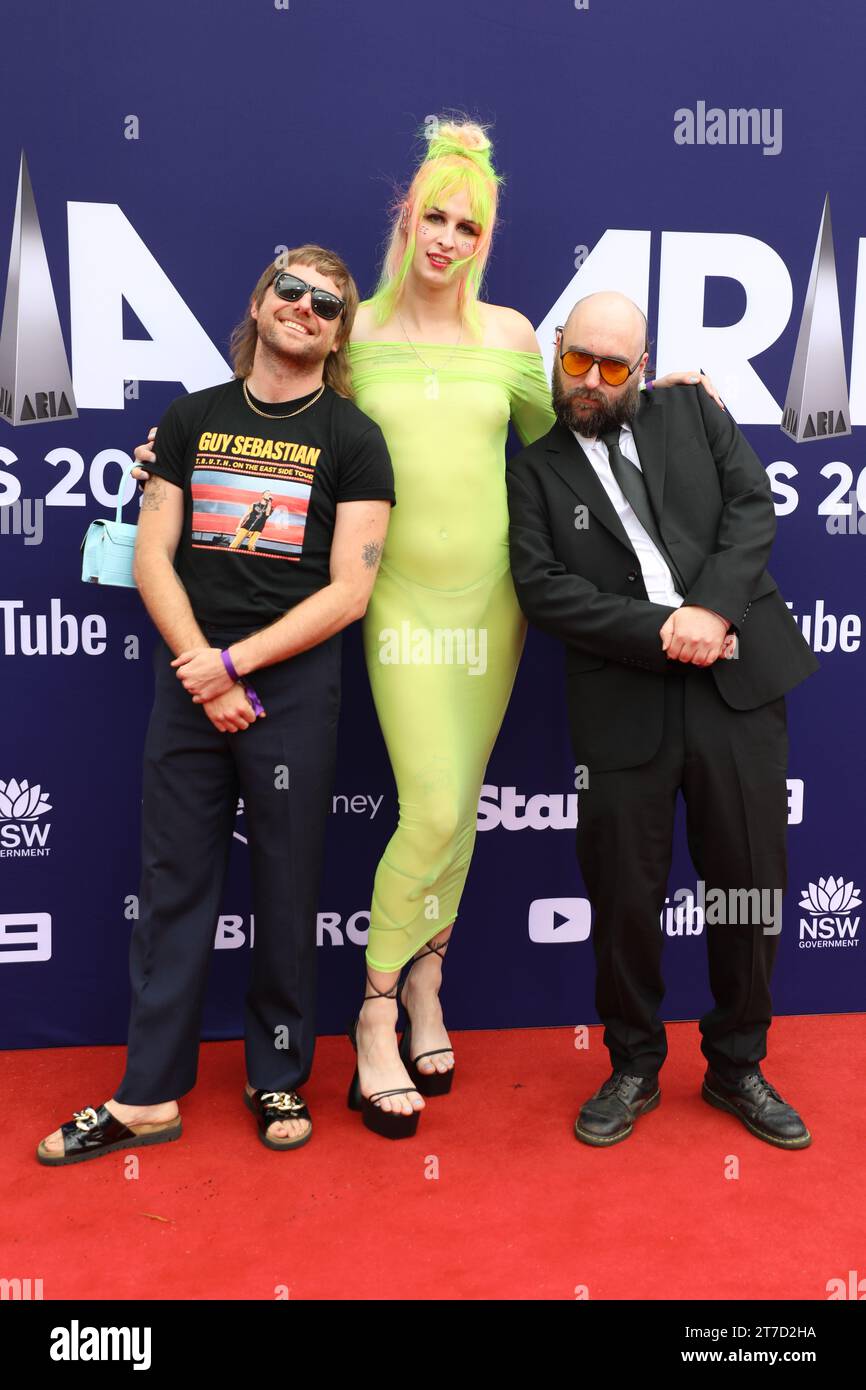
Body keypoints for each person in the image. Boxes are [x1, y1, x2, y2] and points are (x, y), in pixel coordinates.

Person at [128, 121, 722, 1141]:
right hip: (392, 599)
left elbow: (579, 426)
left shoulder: (508, 337)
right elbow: (279, 424)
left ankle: (424, 988)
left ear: (485, 237)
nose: (446, 238)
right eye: (432, 217)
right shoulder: (350, 338)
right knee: (437, 803)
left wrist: (659, 398)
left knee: (461, 805)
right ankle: (371, 1008)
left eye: (467, 224)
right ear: (404, 217)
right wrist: (170, 458)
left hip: (494, 601)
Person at [37, 246, 394, 1165]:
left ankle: (278, 1074)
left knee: (287, 889)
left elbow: (349, 592)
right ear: (260, 299)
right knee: (172, 891)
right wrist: (205, 665)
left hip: (292, 682)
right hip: (194, 678)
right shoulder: (190, 418)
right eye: (292, 290)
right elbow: (152, 554)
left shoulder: (354, 437)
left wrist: (237, 663)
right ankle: (148, 1094)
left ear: (339, 329)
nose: (306, 308)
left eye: (328, 302)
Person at [506, 290, 818, 1150]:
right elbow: (543, 589)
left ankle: (737, 1065)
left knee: (750, 884)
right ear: (555, 349)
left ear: (641, 368)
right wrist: (663, 630)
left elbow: (754, 509)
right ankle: (634, 1064)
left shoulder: (695, 411)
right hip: (623, 701)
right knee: (623, 898)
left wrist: (711, 613)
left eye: (614, 367)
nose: (592, 383)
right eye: (578, 361)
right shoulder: (533, 468)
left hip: (738, 681)